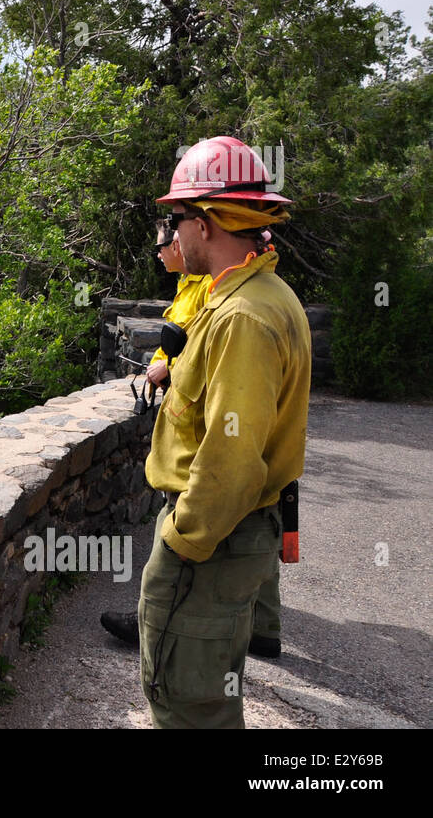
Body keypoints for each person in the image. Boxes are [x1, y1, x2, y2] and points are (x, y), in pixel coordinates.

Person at [136, 136, 310, 728]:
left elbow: (232, 460)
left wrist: (181, 540)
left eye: (177, 220)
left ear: (205, 223)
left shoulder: (242, 317)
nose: (172, 234)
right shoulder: (257, 295)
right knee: (207, 691)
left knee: (186, 704)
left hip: (211, 543)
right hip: (231, 539)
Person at [100, 223, 283, 659]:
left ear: (185, 239)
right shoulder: (209, 285)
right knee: (254, 517)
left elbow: (201, 354)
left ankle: (155, 626)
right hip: (224, 432)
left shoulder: (220, 292)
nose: (158, 253)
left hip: (199, 432)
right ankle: (263, 626)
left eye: (163, 243)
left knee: (180, 528)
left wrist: (168, 369)